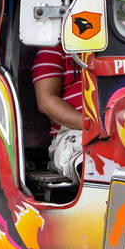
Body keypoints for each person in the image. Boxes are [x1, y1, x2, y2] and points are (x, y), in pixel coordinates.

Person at [32, 39, 84, 183]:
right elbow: (46, 101)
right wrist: (94, 126)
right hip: (74, 133)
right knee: (88, 163)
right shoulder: (58, 46)